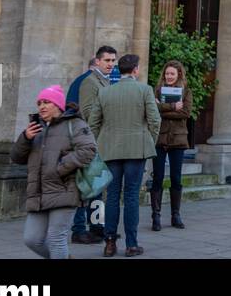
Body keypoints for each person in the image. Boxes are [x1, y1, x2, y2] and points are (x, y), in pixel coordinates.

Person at [10, 85, 97, 259]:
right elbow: (16, 158)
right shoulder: (36, 128)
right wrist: (25, 138)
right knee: (32, 239)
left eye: (47, 102)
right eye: (40, 103)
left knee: (56, 239)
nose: (42, 106)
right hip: (39, 193)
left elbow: (89, 150)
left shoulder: (75, 124)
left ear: (58, 105)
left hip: (65, 190)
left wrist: (60, 168)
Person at [90, 53, 160, 257]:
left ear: (119, 70)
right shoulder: (144, 90)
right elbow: (155, 121)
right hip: (136, 149)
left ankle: (109, 242)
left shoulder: (105, 92)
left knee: (111, 196)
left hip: (110, 149)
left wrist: (98, 144)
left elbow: (93, 123)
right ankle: (131, 244)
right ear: (136, 70)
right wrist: (148, 142)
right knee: (131, 196)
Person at [68, 46, 118, 245]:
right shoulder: (89, 82)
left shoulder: (103, 80)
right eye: (107, 60)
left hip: (98, 141)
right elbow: (88, 113)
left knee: (97, 186)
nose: (111, 64)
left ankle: (97, 227)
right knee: (84, 187)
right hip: (89, 141)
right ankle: (79, 229)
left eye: (113, 61)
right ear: (97, 61)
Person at [151, 60, 193, 231]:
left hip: (178, 140)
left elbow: (185, 113)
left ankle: (176, 214)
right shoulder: (157, 90)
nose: (169, 76)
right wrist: (172, 106)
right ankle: (156, 216)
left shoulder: (186, 91)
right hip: (159, 140)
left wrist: (162, 108)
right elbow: (153, 111)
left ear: (179, 75)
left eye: (172, 74)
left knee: (176, 178)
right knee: (158, 178)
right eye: (167, 74)